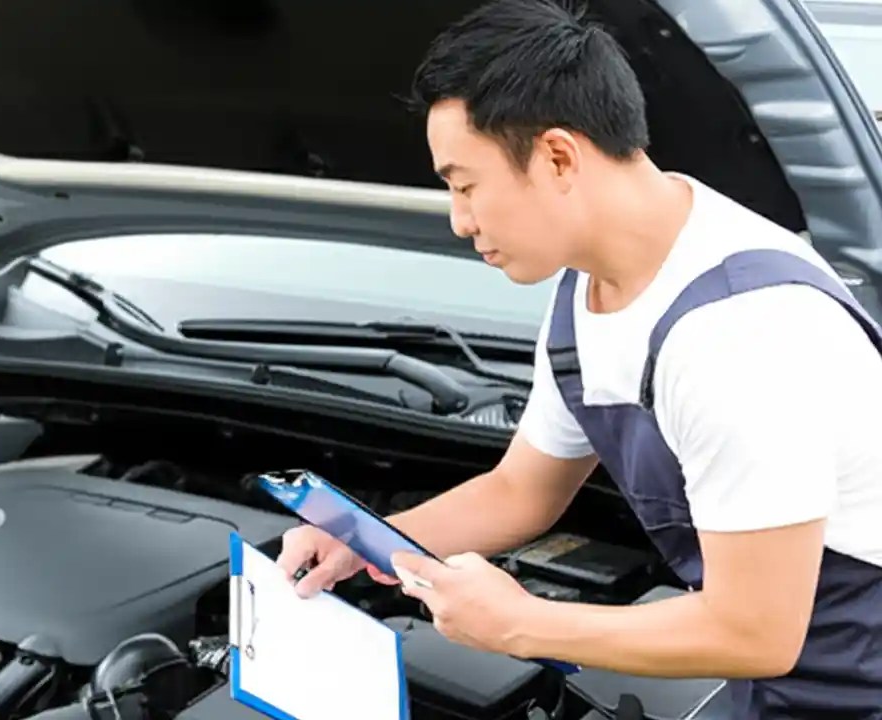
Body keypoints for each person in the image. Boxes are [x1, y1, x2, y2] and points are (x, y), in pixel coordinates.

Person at [274, 0, 882, 716]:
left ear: (559, 156)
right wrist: (366, 540)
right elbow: (522, 491)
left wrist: (520, 622)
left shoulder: (738, 335)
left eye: (465, 185)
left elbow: (756, 631)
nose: (459, 220)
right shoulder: (594, 284)